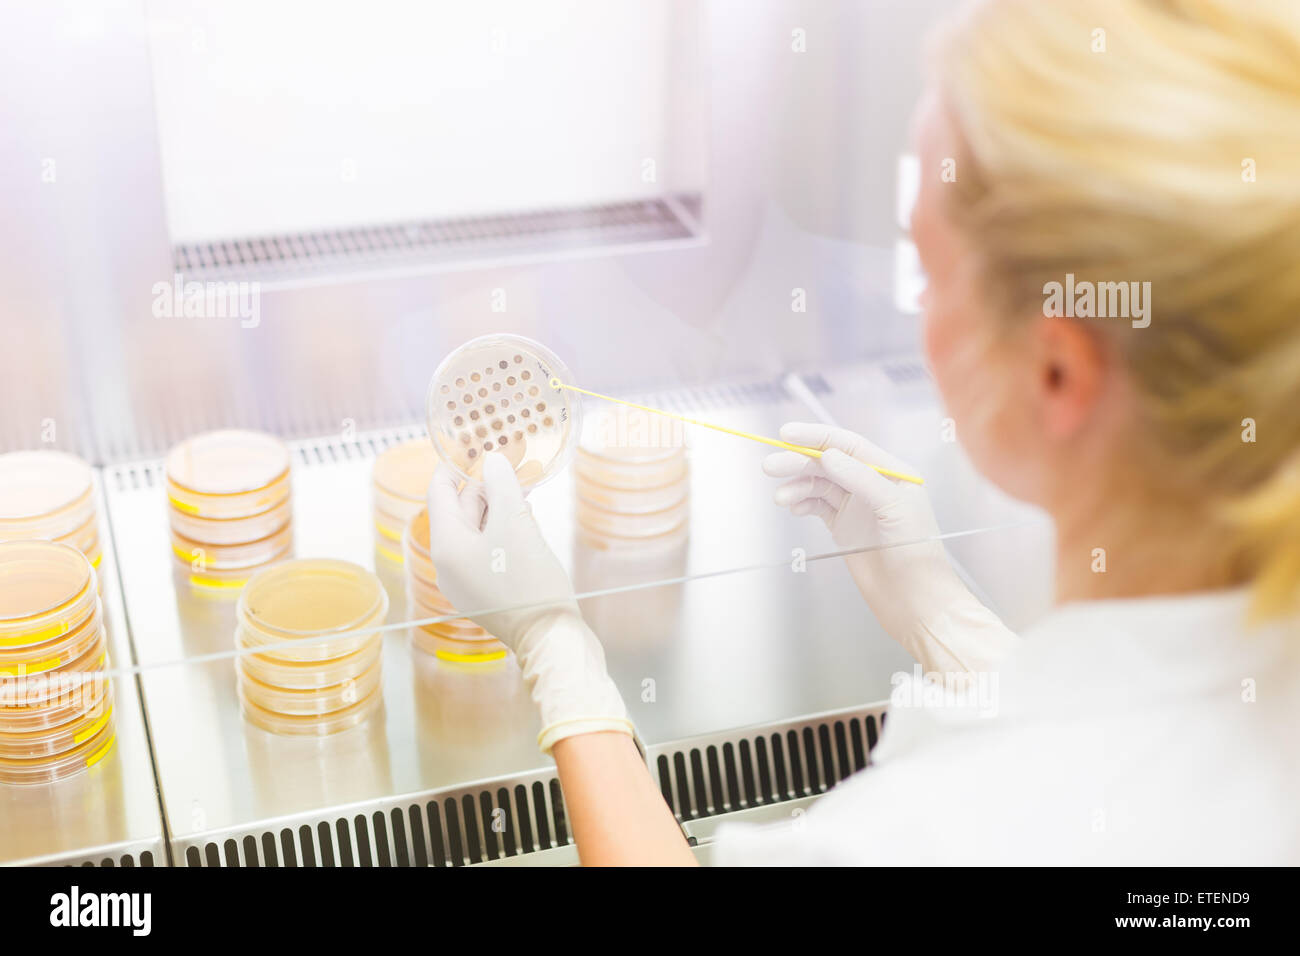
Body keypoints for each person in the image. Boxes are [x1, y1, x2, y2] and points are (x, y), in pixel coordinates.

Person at [425, 0, 1300, 865]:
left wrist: (555, 647)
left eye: (931, 270)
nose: (917, 319)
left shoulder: (925, 835)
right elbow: (1130, 736)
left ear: (1058, 373)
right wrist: (944, 615)